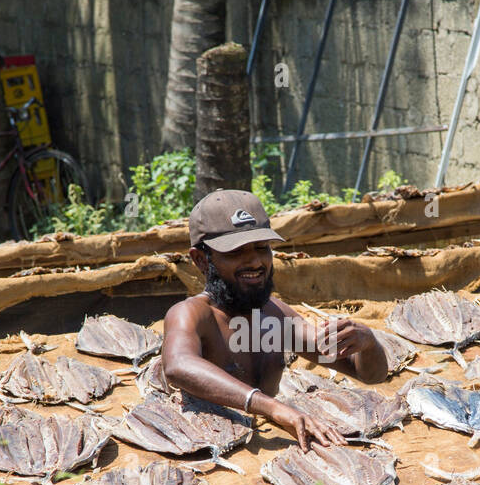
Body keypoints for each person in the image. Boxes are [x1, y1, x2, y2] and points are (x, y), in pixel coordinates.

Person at [161, 189, 388, 450]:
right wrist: (273, 407)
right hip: (206, 447)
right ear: (201, 259)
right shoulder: (193, 314)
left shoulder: (275, 316)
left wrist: (369, 344)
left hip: (268, 448)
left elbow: (369, 374)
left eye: (262, 248)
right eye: (236, 252)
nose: (255, 262)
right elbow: (178, 366)